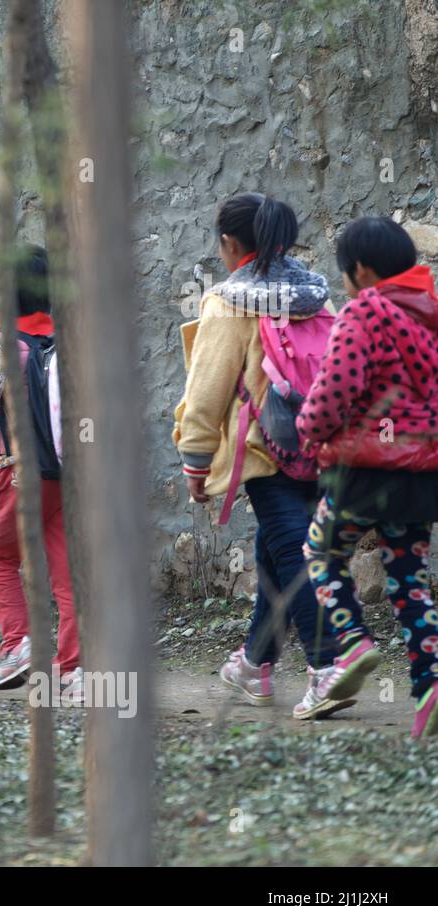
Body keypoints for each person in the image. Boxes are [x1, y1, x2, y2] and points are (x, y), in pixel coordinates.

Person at [173, 193, 343, 719]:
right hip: (321, 441)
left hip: (265, 448)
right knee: (275, 546)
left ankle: (327, 666)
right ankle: (255, 664)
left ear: (229, 243)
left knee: (292, 549)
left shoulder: (229, 301)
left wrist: (196, 460)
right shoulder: (315, 295)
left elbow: (207, 391)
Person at [297, 217, 438, 739]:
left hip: (361, 471)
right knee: (409, 581)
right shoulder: (431, 313)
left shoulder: (363, 313)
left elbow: (334, 391)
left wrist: (307, 430)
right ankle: (430, 690)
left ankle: (354, 643)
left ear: (359, 270)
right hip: (420, 475)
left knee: (321, 553)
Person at [0, 247, 80, 696]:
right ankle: (76, 669)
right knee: (66, 572)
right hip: (65, 478)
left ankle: (19, 646)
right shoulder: (66, 342)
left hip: (18, 474)